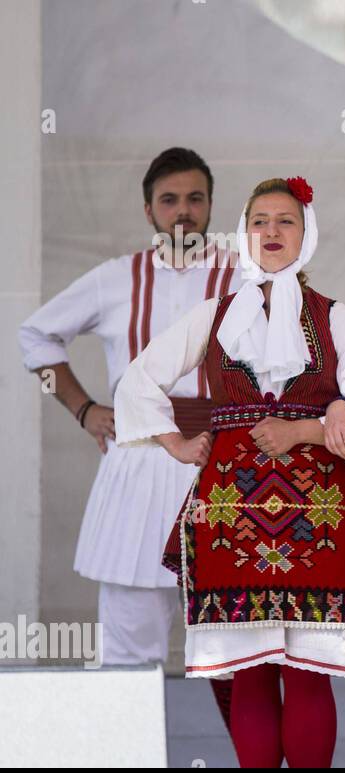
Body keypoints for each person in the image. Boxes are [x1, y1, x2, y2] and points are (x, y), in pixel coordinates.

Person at [114, 176, 345, 767]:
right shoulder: (213, 316)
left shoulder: (337, 318)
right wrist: (176, 443)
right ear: (244, 233)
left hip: (317, 513)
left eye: (285, 221)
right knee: (253, 673)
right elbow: (138, 378)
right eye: (260, 220)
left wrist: (308, 427)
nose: (271, 231)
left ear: (305, 233)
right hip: (231, 511)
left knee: (309, 673)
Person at [18, 147, 238, 725]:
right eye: (170, 200)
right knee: (127, 655)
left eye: (195, 198)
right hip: (137, 464)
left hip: (223, 467)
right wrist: (83, 408)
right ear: (149, 210)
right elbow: (35, 338)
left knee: (237, 651)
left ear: (212, 204)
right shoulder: (116, 278)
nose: (183, 212)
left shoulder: (246, 277)